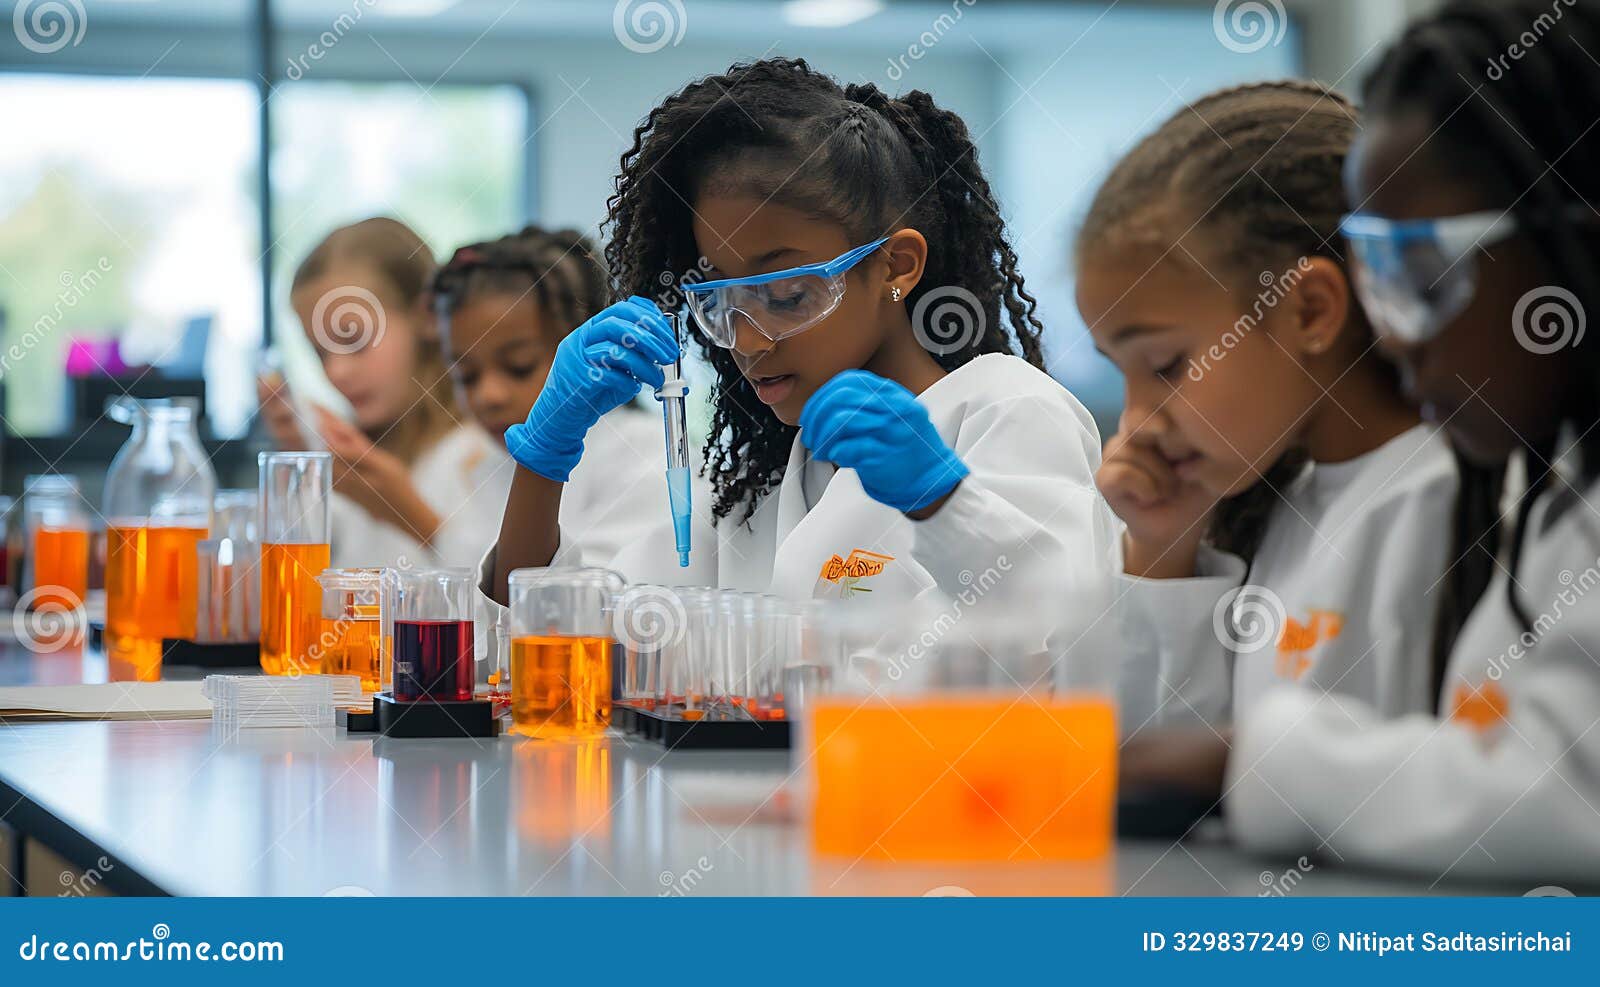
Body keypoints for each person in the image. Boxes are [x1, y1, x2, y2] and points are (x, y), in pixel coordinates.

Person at [1125, 0, 1600, 883]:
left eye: (1423, 273)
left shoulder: (1465, 496)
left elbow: (1569, 796)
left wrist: (1254, 762)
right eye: (1378, 275)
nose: (1394, 333)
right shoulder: (1547, 493)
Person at [488, 57, 1116, 613]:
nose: (749, 343)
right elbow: (565, 631)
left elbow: (1066, 639)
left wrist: (942, 502)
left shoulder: (1005, 407)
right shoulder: (756, 484)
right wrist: (543, 459)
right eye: (720, 302)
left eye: (785, 295)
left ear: (895, 267)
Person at [1077, 82, 1456, 732]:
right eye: (1124, 374)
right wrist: (1161, 547)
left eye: (1167, 365)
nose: (1136, 420)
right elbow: (1153, 783)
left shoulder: (1443, 501)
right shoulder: (1281, 506)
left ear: (1309, 309)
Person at [258, 216, 497, 569]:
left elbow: (506, 599)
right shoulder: (353, 467)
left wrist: (407, 511)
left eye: (354, 338)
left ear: (426, 316)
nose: (335, 372)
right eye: (320, 352)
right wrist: (301, 468)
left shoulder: (486, 450)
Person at [432, 225, 669, 570]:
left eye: (519, 366)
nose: (489, 395)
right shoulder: (466, 459)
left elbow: (576, 605)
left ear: (587, 345)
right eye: (465, 375)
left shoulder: (646, 456)